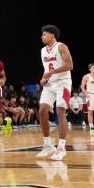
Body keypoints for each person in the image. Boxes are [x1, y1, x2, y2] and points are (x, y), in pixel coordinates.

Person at [36, 25, 73, 161]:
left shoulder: (61, 46)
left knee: (60, 111)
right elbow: (46, 69)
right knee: (42, 110)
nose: (42, 36)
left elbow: (69, 65)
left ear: (52, 35)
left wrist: (52, 72)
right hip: (49, 84)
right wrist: (43, 79)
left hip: (63, 83)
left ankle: (61, 148)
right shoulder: (42, 50)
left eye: (44, 34)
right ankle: (47, 145)